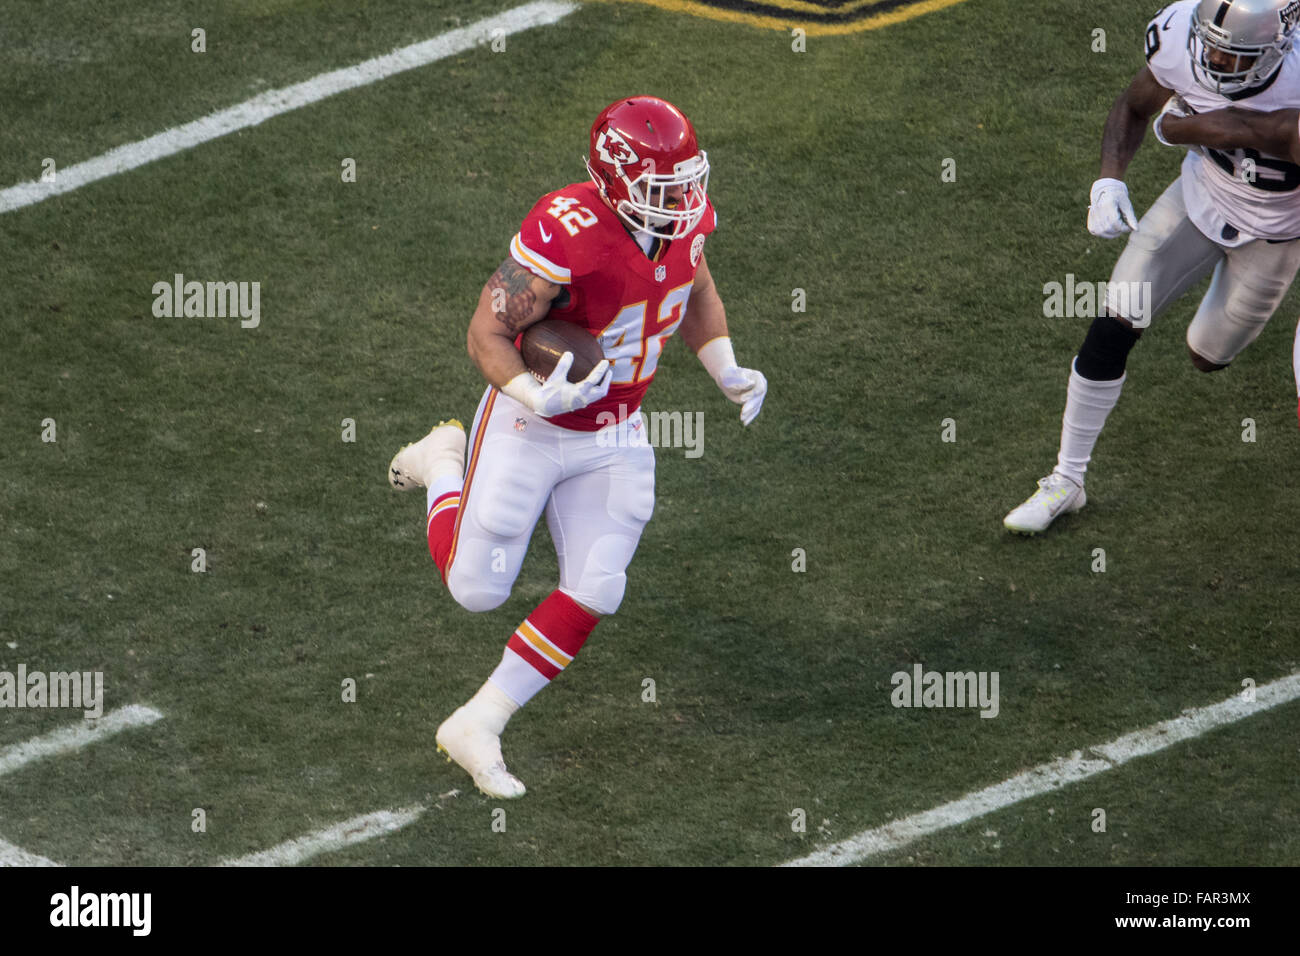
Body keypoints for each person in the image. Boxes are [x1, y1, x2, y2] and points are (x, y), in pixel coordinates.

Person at [386, 96, 767, 797]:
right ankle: (445, 459)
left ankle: (479, 722)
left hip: (615, 430)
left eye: (686, 181)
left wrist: (725, 365)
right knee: (475, 589)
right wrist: (532, 394)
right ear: (616, 180)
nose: (682, 200)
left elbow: (694, 285)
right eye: (663, 187)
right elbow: (485, 332)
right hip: (531, 424)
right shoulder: (569, 232)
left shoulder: (684, 224)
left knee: (597, 584)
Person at [1004, 0, 1300, 534]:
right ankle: (1066, 480)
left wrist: (1194, 129)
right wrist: (1108, 180)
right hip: (1200, 195)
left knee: (1206, 356)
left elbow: (1279, 132)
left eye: (1234, 56)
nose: (1212, 59)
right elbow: (1136, 104)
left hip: (1277, 236)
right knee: (1117, 315)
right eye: (1210, 44)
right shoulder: (1181, 33)